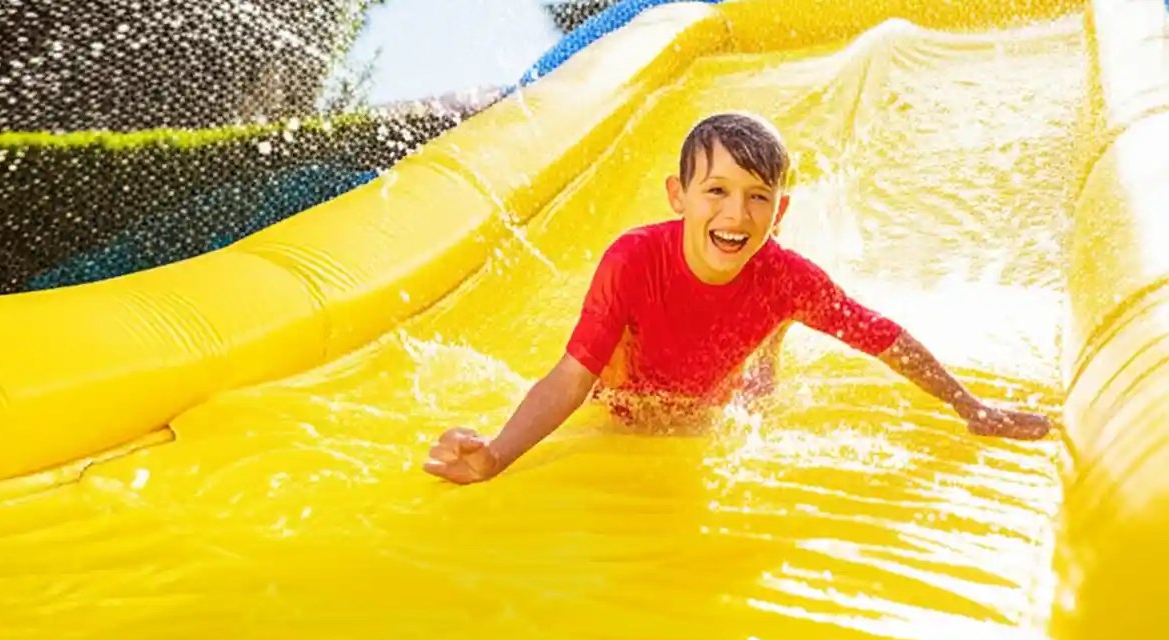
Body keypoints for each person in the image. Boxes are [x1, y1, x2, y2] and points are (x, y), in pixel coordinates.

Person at [423, 112, 1051, 485]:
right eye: (716, 190)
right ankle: (770, 339)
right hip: (623, 410)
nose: (735, 212)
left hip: (707, 408)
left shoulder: (790, 277)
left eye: (756, 196)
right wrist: (498, 455)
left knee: (762, 377)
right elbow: (569, 376)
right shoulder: (634, 261)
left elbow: (882, 337)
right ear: (679, 195)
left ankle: (770, 342)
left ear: (779, 211)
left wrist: (970, 406)